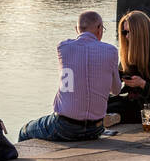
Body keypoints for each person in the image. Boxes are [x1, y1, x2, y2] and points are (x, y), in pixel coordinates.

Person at [19, 11, 122, 142]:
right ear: (99, 28)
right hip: (95, 128)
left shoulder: (63, 47)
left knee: (24, 131)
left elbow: (70, 80)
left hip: (65, 127)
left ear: (76, 30)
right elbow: (116, 90)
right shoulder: (111, 51)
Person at [107, 10, 150, 125]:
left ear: (140, 32)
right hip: (131, 100)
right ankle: (114, 117)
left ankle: (115, 117)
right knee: (98, 103)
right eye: (124, 32)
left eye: (129, 32)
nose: (126, 36)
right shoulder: (128, 50)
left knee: (112, 108)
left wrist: (142, 84)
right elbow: (123, 85)